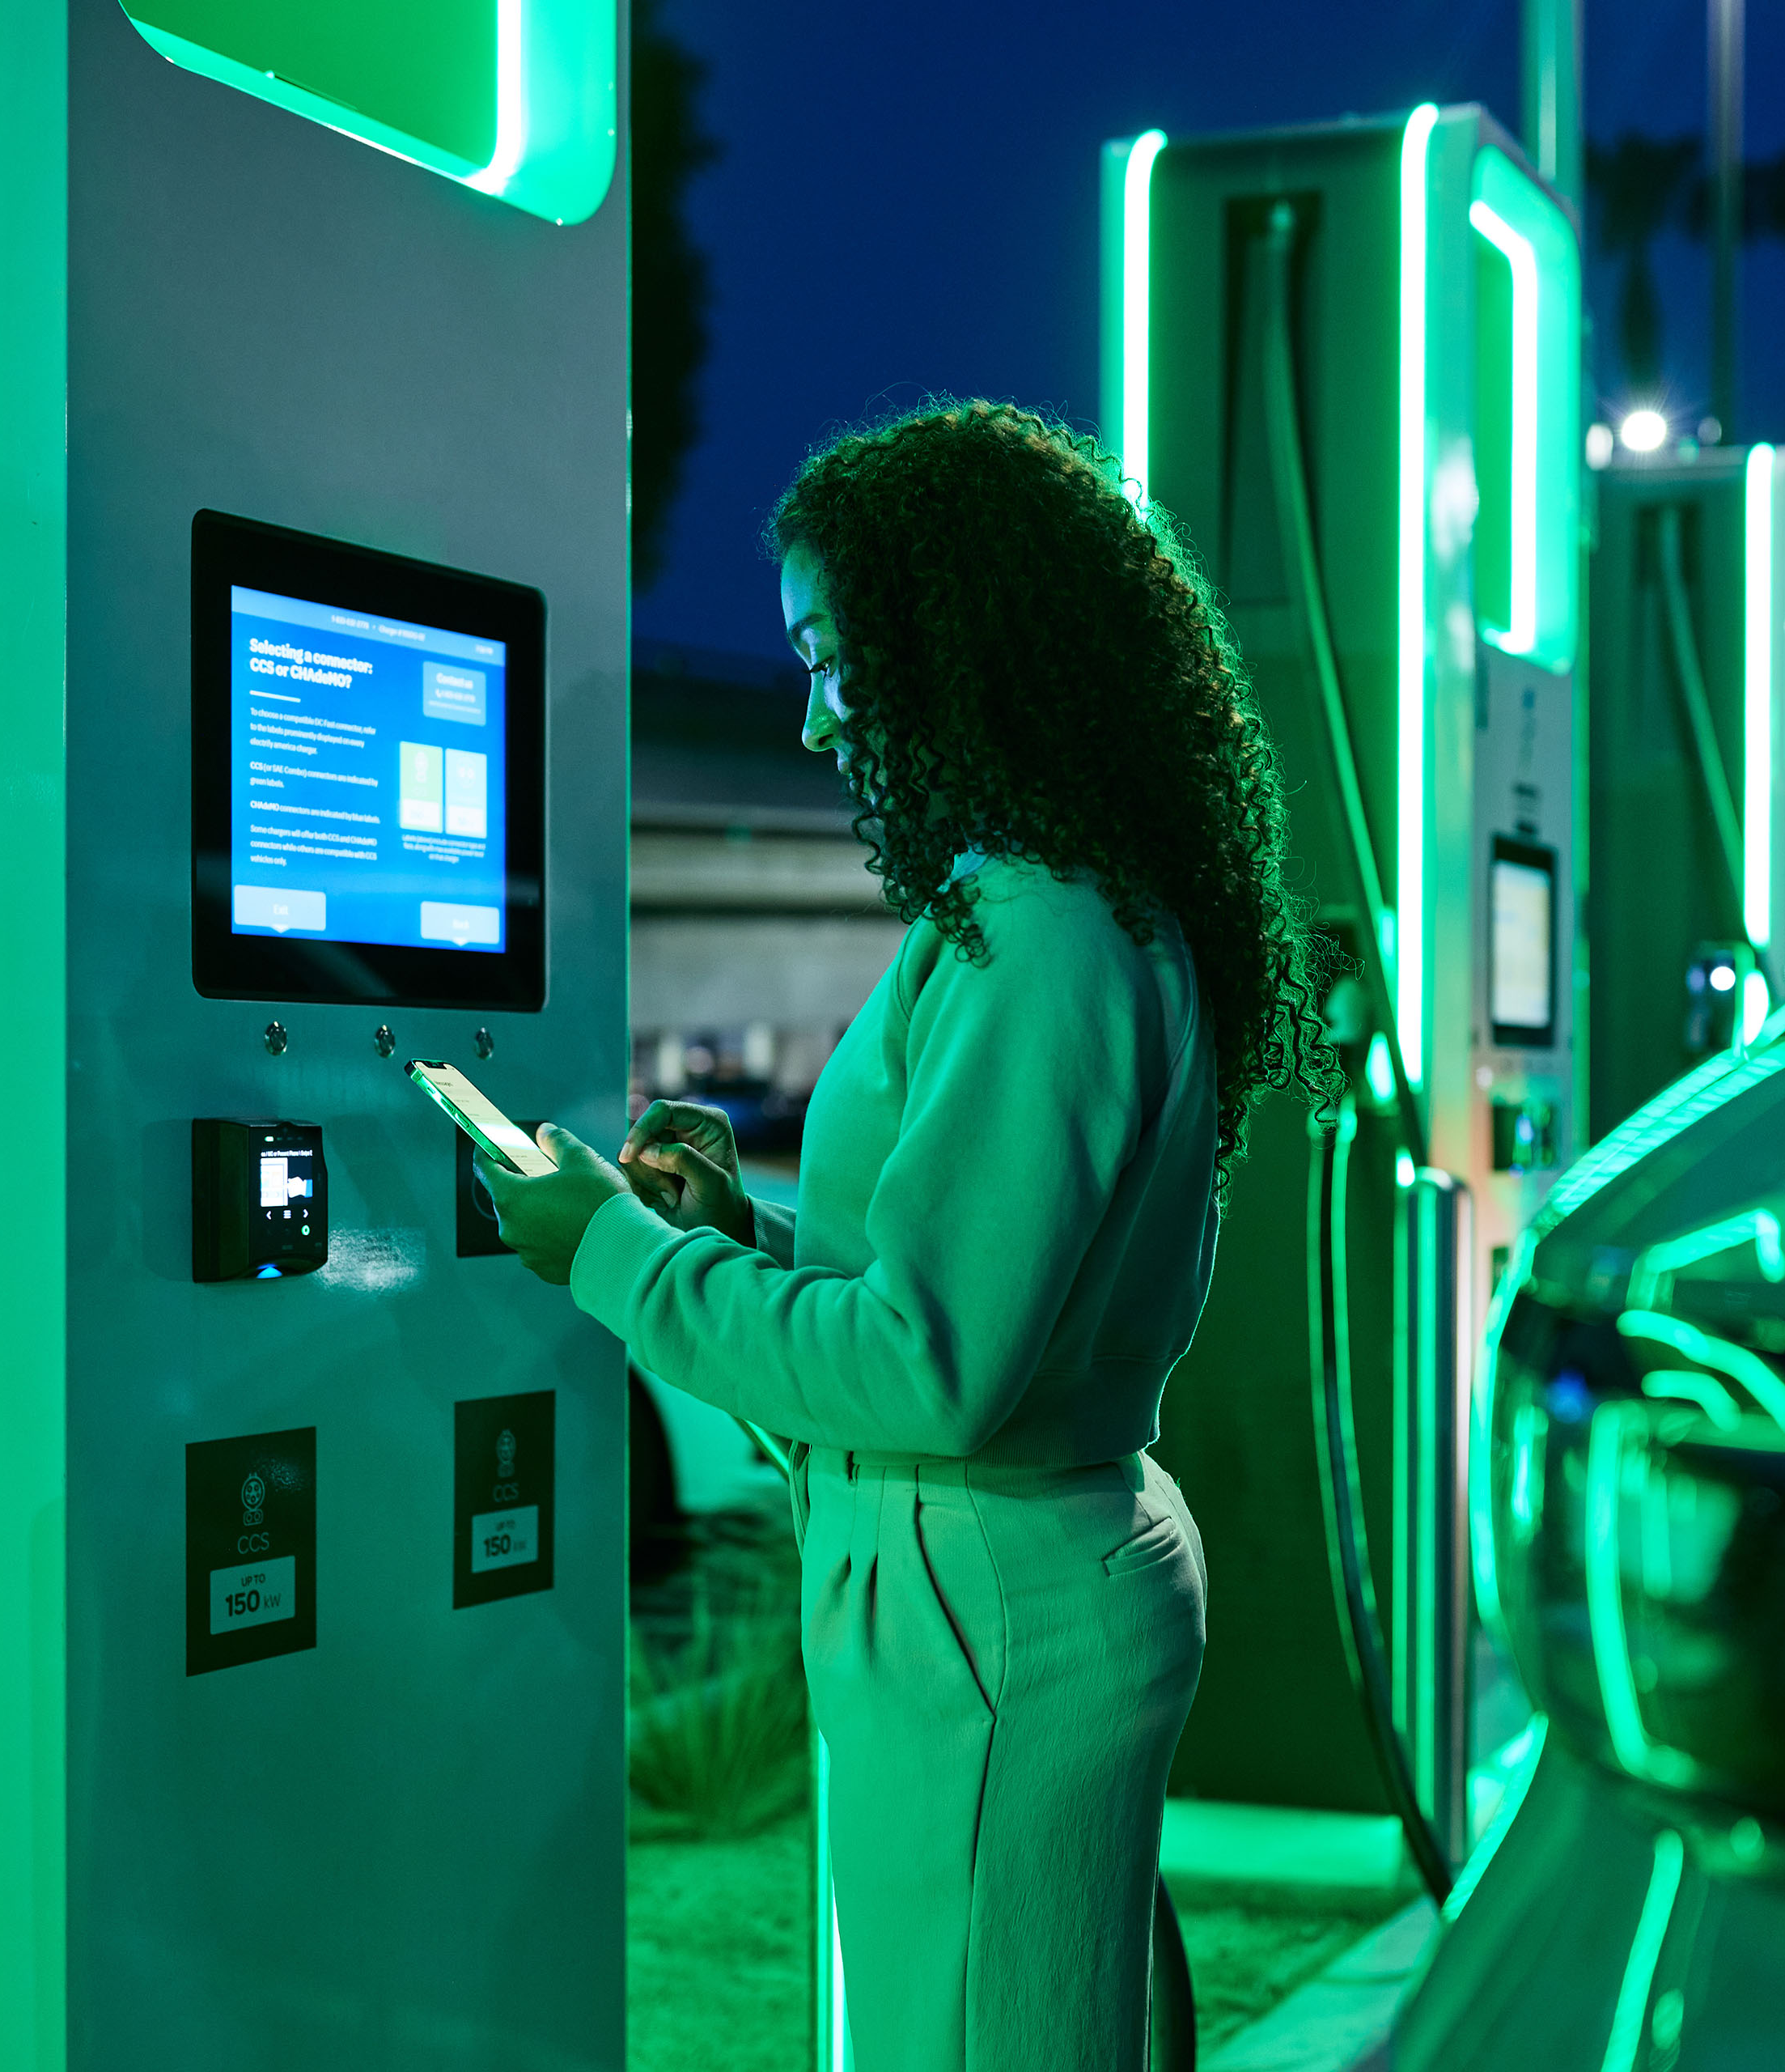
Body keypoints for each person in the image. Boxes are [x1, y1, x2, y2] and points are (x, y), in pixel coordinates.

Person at [485, 400, 1333, 2070]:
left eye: (831, 659)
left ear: (949, 642)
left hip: (983, 1604)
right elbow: (970, 1284)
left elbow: (930, 1365)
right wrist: (747, 1228)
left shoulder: (1040, 932)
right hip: (1002, 1586)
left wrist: (612, 1249)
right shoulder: (1062, 906)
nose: (810, 720)